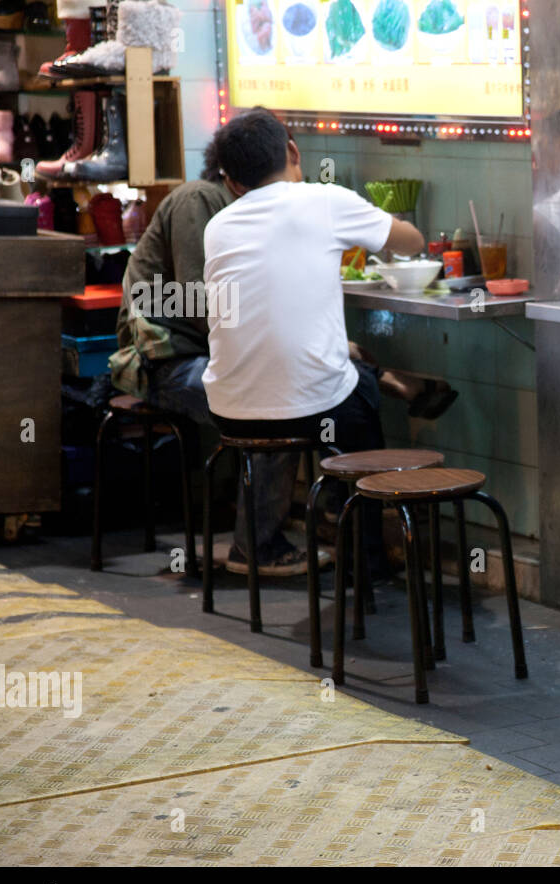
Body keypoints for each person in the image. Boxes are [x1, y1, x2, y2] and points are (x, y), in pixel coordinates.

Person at [201, 108, 423, 572]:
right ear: (293, 152)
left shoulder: (217, 226)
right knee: (359, 398)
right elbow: (412, 242)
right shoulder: (324, 201)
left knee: (345, 378)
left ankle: (334, 524)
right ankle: (367, 559)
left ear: (232, 181)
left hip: (232, 414)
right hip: (307, 409)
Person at [111, 136, 307, 574]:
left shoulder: (250, 214)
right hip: (166, 362)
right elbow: (201, 305)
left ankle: (320, 520)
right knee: (273, 408)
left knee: (301, 392)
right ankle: (257, 548)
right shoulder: (198, 199)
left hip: (211, 356)